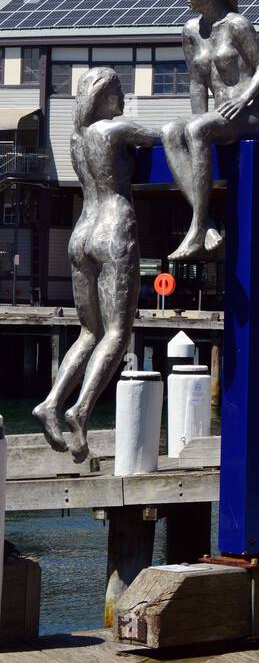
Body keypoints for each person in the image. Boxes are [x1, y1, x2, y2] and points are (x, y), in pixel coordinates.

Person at [33, 68, 162, 461]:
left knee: (89, 331)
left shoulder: (75, 140)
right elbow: (164, 136)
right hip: (113, 231)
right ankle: (81, 410)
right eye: (119, 91)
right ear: (104, 97)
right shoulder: (115, 130)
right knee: (118, 334)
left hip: (81, 232)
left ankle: (51, 402)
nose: (123, 98)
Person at [162, 0, 259, 260]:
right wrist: (199, 117)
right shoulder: (190, 31)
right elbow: (197, 84)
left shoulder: (237, 24)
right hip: (221, 119)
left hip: (252, 116)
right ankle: (207, 225)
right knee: (171, 130)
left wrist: (245, 98)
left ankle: (196, 228)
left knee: (196, 130)